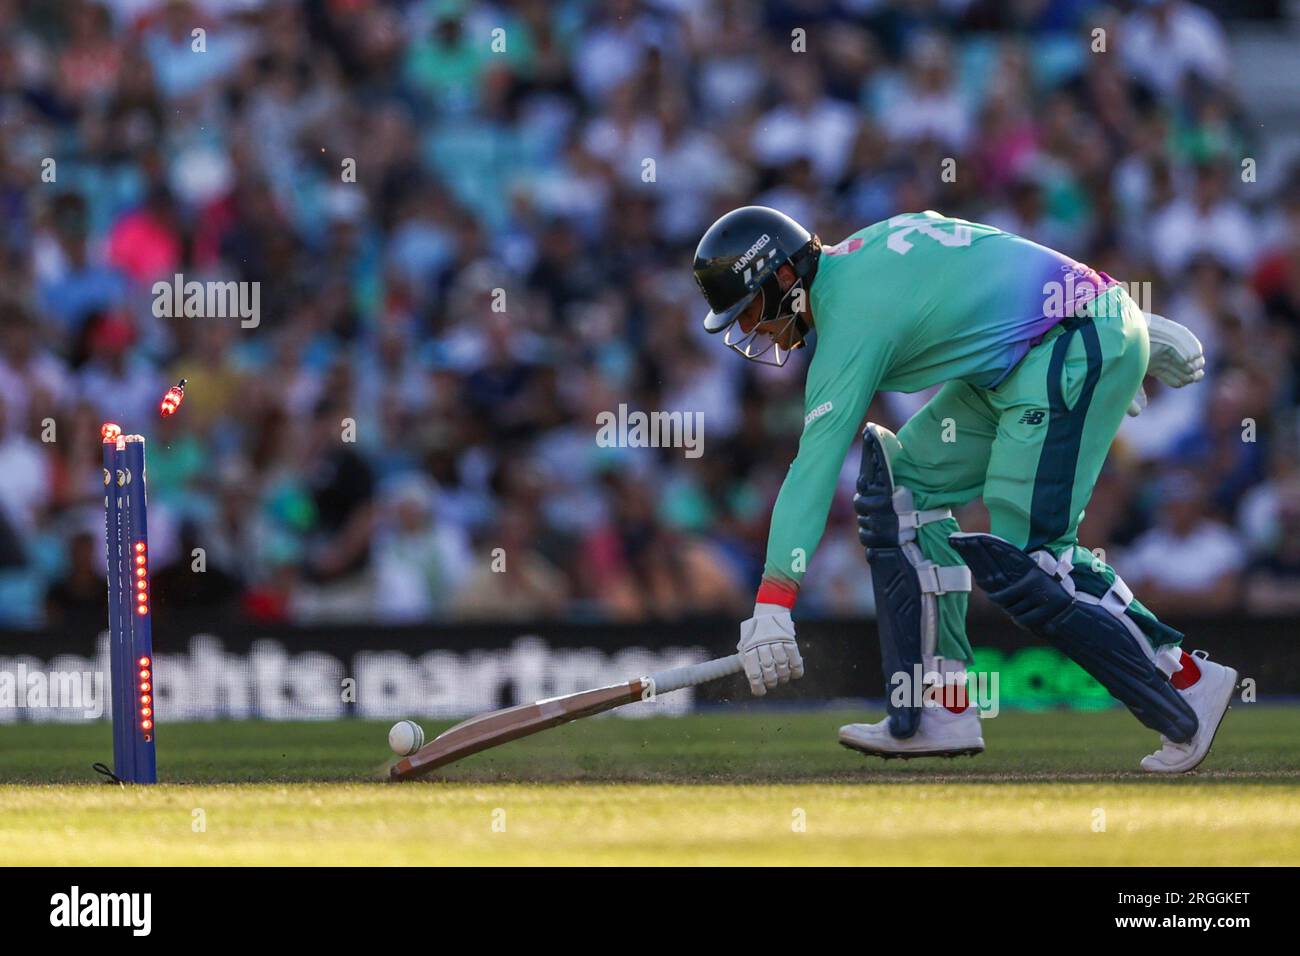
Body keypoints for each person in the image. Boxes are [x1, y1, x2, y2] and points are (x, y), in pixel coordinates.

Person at [691, 205, 1238, 773]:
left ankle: (1188, 681)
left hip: (1060, 344)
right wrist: (1117, 311)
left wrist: (774, 602)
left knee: (1035, 560)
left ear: (783, 277)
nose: (752, 328)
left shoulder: (849, 316)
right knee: (902, 491)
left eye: (750, 308)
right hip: (1030, 351)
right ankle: (939, 706)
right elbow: (988, 257)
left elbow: (814, 466)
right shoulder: (865, 251)